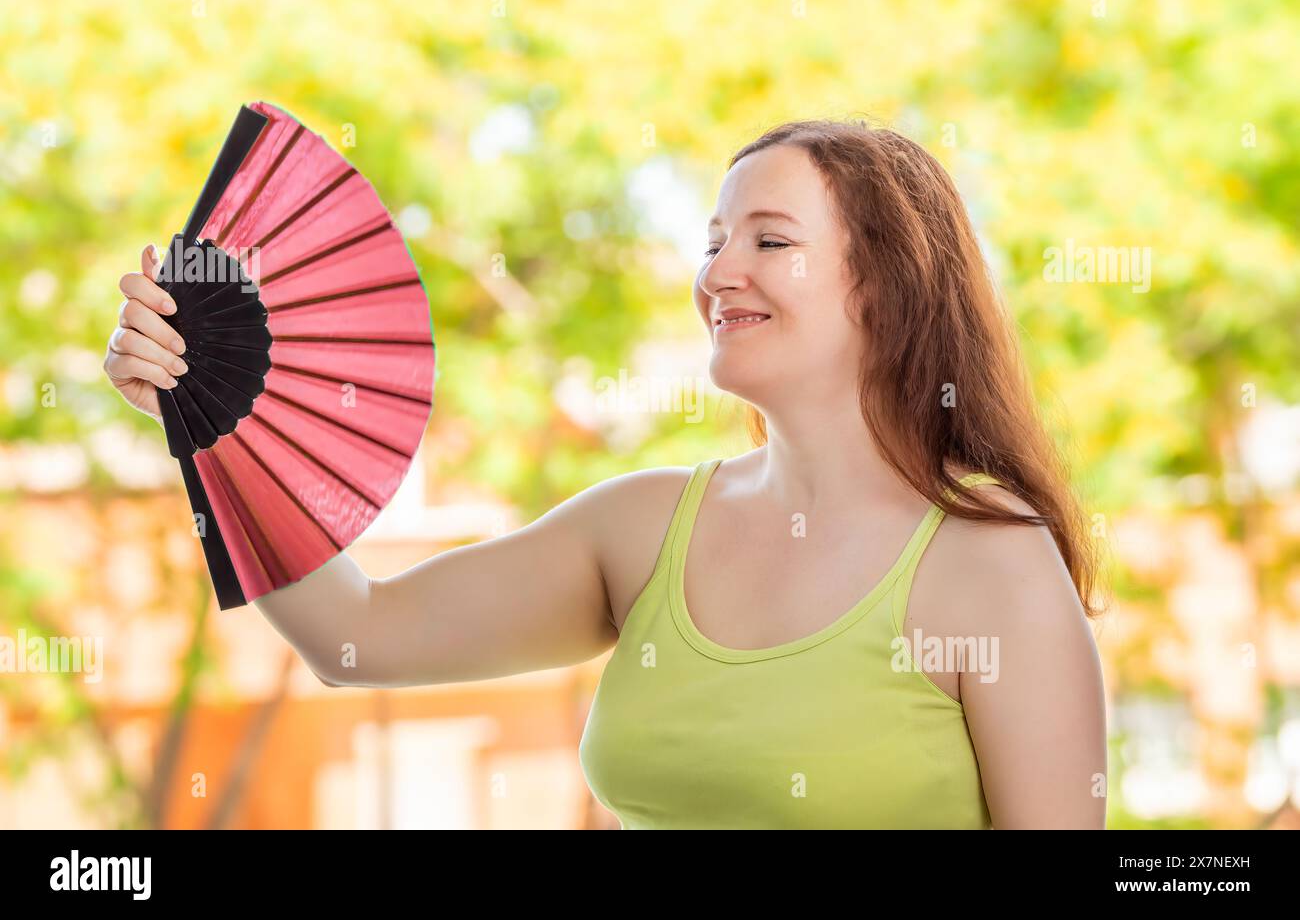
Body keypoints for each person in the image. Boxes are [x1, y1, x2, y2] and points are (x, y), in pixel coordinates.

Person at [104, 118, 1108, 828]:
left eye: (770, 240)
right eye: (712, 241)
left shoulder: (990, 564)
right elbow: (358, 639)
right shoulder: (644, 528)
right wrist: (208, 409)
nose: (717, 273)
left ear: (884, 287)